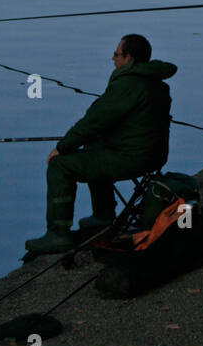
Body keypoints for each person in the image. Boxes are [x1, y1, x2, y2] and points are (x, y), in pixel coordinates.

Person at [25, 35, 177, 254]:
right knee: (94, 147)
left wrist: (62, 147)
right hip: (153, 154)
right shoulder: (157, 84)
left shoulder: (128, 85)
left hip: (132, 157)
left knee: (60, 166)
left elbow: (95, 120)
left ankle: (58, 234)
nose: (113, 58)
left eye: (116, 54)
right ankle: (103, 216)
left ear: (128, 58)